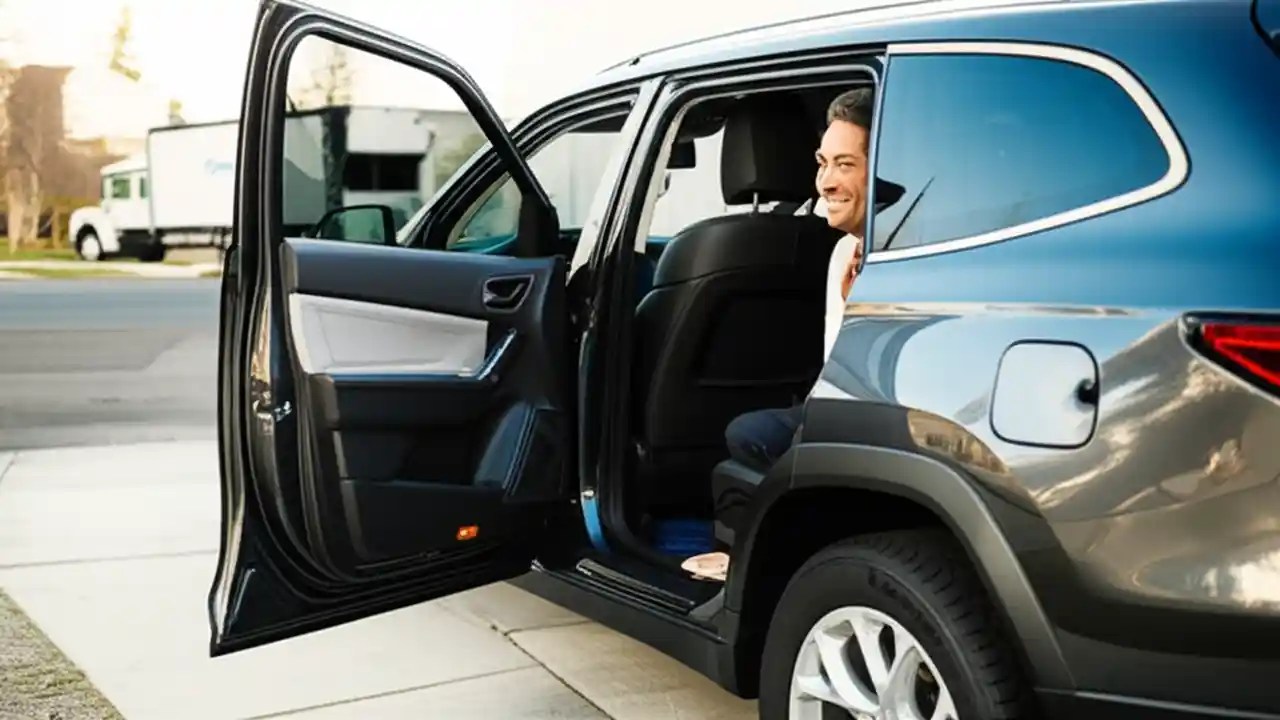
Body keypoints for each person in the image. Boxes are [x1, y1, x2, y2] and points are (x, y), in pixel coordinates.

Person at [723, 87, 872, 471]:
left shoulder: (909, 256)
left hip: (880, 420)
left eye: (845, 165)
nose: (825, 182)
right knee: (746, 431)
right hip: (833, 405)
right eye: (823, 163)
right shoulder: (842, 253)